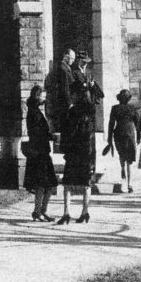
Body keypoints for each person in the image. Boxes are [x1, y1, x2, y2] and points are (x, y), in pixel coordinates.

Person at [57, 85, 97, 224]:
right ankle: (85, 212)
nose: (70, 96)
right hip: (86, 152)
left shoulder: (73, 112)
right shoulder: (90, 111)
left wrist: (65, 148)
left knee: (68, 183)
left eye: (72, 94)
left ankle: (66, 212)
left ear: (77, 95)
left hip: (74, 151)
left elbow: (68, 132)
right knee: (86, 183)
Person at [23, 84, 58, 221]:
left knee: (45, 184)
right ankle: (40, 211)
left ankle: (40, 211)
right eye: (40, 96)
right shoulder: (35, 114)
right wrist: (51, 136)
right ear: (36, 98)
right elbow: (39, 134)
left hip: (39, 152)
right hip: (40, 153)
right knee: (44, 184)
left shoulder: (34, 112)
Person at [108, 89, 139, 193]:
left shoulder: (115, 108)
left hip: (119, 133)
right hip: (130, 133)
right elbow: (137, 123)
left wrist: (109, 138)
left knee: (122, 155)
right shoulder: (132, 108)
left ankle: (122, 169)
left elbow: (111, 124)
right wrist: (139, 136)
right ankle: (130, 184)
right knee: (130, 160)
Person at [45, 48, 76, 133]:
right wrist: (70, 103)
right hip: (65, 105)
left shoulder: (66, 69)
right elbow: (65, 88)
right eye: (72, 58)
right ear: (66, 57)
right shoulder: (63, 69)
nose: (73, 61)